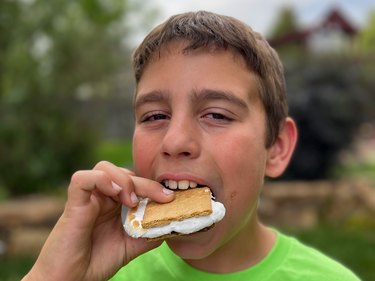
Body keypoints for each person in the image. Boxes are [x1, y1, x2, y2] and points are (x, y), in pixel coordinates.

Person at [22, 11, 360, 281]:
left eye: (216, 114)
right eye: (154, 116)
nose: (175, 141)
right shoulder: (100, 271)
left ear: (277, 148)